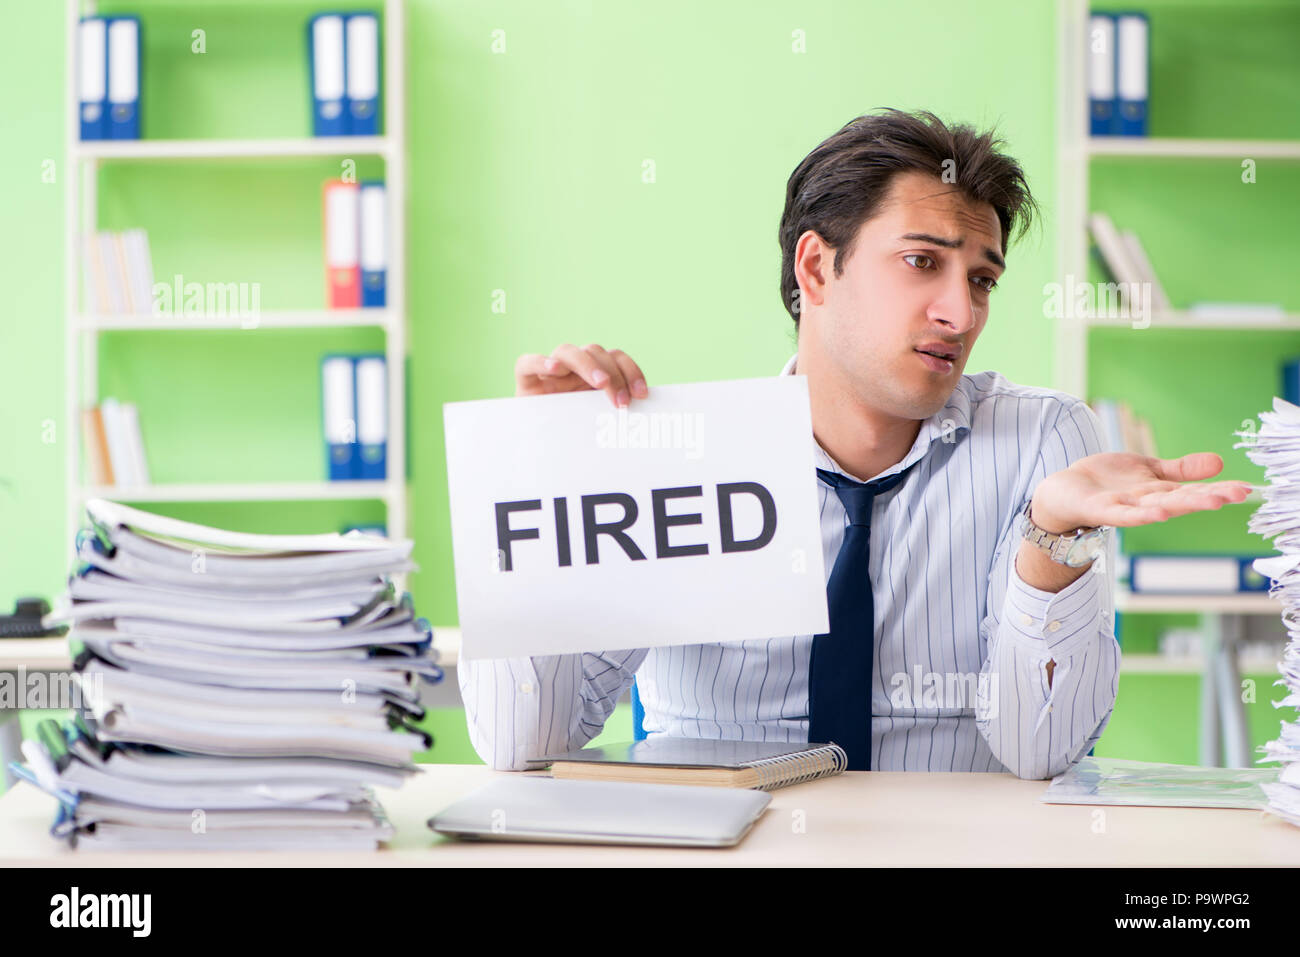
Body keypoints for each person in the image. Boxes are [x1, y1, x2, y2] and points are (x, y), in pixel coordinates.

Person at [458, 108, 1251, 778]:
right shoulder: (672, 455)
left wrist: (1049, 546)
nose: (961, 313)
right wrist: (548, 473)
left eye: (981, 279)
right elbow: (519, 742)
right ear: (816, 267)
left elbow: (1040, 752)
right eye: (921, 262)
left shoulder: (1044, 441)